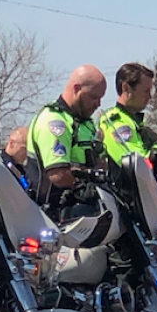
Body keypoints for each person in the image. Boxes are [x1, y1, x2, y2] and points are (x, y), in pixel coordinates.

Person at [29, 65, 108, 212]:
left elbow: (100, 162)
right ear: (77, 88)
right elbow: (58, 175)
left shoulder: (85, 123)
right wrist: (83, 184)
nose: (98, 104)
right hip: (58, 213)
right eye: (93, 97)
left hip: (90, 206)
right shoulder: (54, 121)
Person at [99, 63, 157, 164]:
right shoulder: (117, 122)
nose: (150, 97)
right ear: (126, 89)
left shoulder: (134, 121)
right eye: (146, 91)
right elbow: (138, 163)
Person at [1, 126, 40, 192]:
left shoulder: (23, 169)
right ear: (12, 143)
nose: (26, 153)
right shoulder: (1, 167)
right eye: (24, 148)